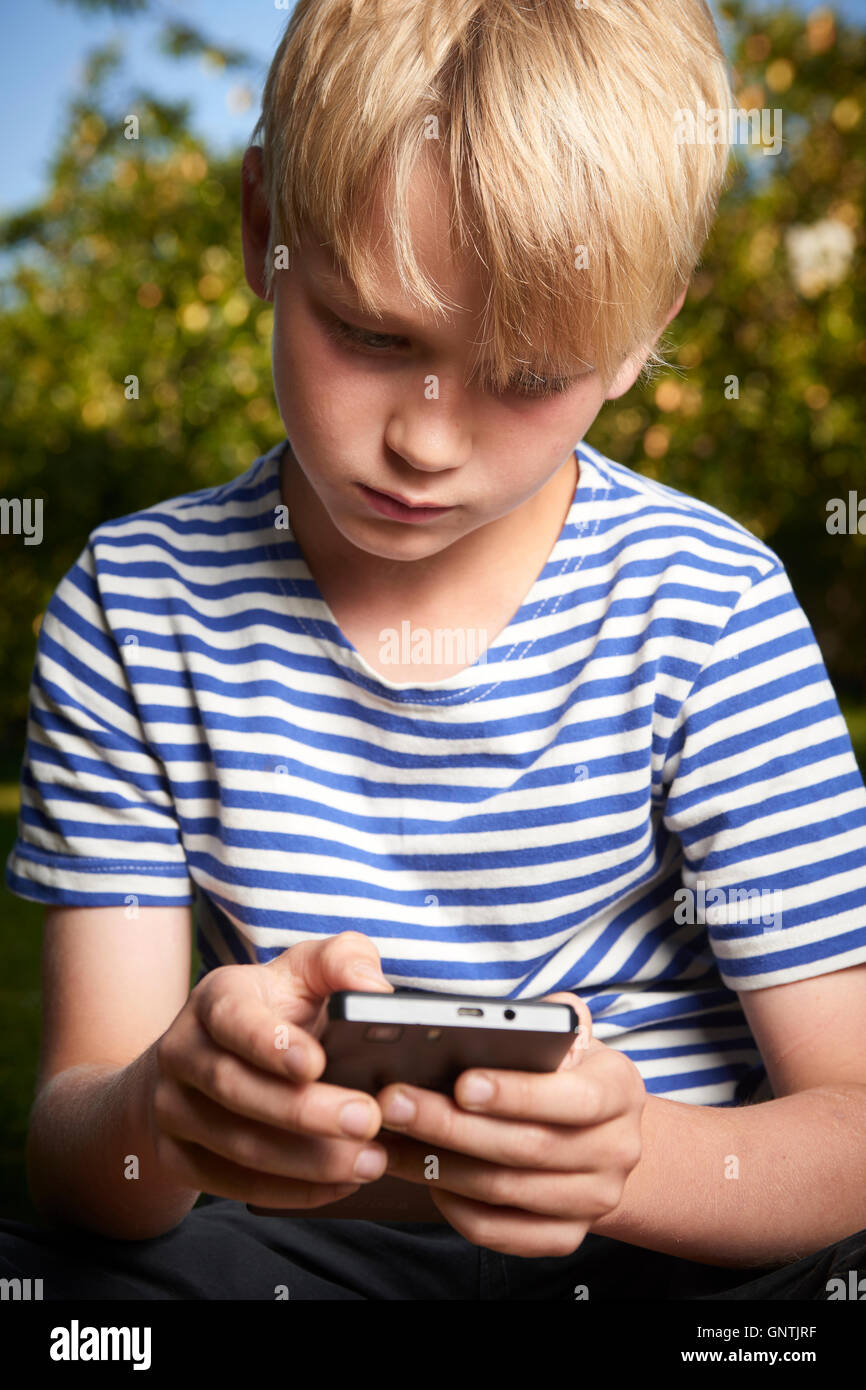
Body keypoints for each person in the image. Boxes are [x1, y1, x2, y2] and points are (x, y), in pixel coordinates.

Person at [2, 0, 865, 1302]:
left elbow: (849, 1126)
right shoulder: (137, 607)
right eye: (372, 334)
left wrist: (620, 1165)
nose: (425, 439)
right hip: (296, 1253)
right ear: (261, 231)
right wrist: (162, 1111)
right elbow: (81, 1161)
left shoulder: (707, 606)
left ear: (640, 335)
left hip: (665, 1256)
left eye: (524, 375)